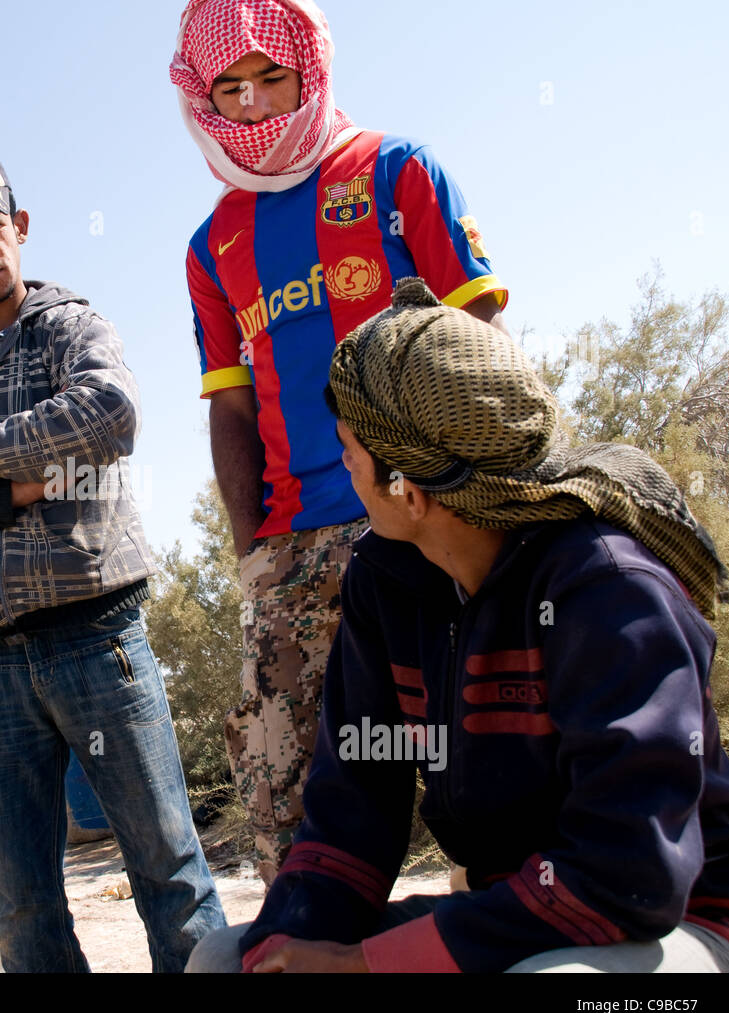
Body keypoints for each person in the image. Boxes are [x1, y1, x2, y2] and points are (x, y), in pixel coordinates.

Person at [187, 279, 729, 973]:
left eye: (351, 452)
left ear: (410, 492)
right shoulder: (386, 582)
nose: (344, 469)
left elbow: (630, 875)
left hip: (679, 921)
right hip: (512, 912)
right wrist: (283, 945)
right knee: (222, 960)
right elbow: (351, 815)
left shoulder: (607, 589)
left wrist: (362, 964)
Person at [170, 0, 511, 884]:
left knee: (481, 774)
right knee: (287, 800)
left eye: (270, 78)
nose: (251, 105)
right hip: (296, 548)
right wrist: (252, 552)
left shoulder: (399, 169)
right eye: (229, 88)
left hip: (430, 513)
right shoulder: (213, 243)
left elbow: (480, 332)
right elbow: (230, 406)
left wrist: (476, 499)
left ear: (309, 67)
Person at [0, 141, 226, 972]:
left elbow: (106, 415)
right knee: (23, 898)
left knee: (171, 871)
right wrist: (12, 493)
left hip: (97, 632)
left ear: (20, 226)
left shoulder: (74, 326)